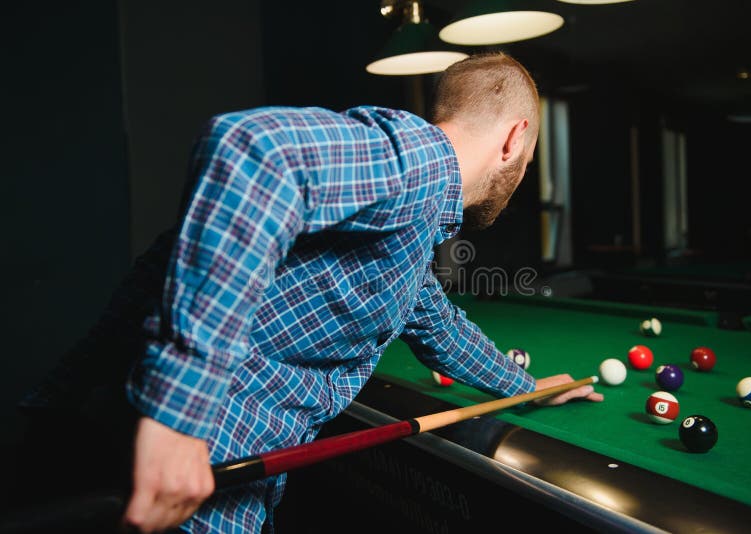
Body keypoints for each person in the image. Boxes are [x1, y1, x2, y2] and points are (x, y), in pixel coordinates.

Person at [12, 51, 603, 534]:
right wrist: (178, 419)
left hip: (202, 468)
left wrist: (525, 387)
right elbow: (255, 151)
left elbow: (436, 323)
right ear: (514, 139)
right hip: (193, 467)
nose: (523, 175)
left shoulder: (413, 221)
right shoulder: (423, 162)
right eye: (528, 161)